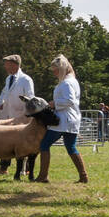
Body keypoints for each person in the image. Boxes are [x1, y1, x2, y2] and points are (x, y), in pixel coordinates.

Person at [36, 54, 86, 183]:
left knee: (44, 144)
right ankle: (83, 176)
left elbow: (69, 101)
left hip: (63, 120)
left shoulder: (66, 83)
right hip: (71, 119)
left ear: (62, 68)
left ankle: (43, 176)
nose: (54, 73)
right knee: (71, 147)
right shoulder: (72, 81)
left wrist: (53, 103)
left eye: (55, 70)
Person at [0, 54, 35, 172]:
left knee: (23, 143)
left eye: (7, 64)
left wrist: (25, 115)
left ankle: (26, 169)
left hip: (21, 115)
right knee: (6, 142)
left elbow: (30, 97)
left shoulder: (26, 79)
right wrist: (1, 102)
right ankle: (3, 168)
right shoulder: (8, 79)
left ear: (15, 64)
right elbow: (4, 93)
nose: (5, 67)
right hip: (8, 115)